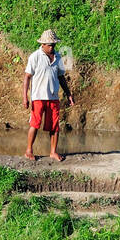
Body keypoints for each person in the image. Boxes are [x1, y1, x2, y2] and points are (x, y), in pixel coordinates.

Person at [23, 30, 73, 162]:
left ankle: (53, 152)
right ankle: (29, 150)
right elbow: (27, 77)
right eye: (49, 45)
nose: (52, 47)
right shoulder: (35, 56)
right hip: (38, 97)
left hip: (53, 97)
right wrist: (25, 97)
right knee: (35, 124)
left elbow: (61, 77)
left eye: (54, 45)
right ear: (43, 44)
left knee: (54, 126)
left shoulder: (57, 57)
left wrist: (69, 94)